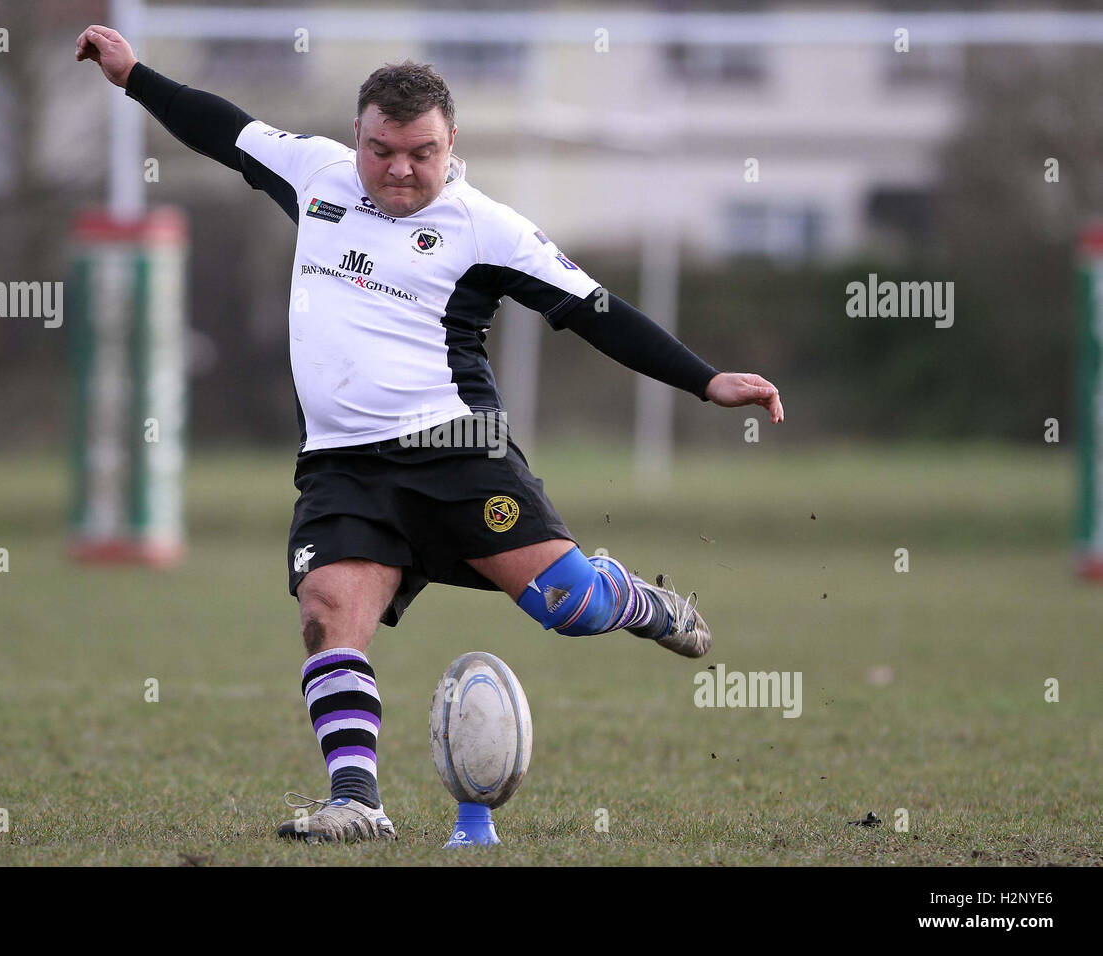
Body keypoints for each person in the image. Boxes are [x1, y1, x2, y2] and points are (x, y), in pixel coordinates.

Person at [77, 25, 784, 844]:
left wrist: (706, 380)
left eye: (421, 152)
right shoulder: (314, 175)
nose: (400, 169)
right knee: (327, 608)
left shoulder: (488, 228)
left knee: (569, 604)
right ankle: (355, 800)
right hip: (342, 465)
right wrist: (135, 75)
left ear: (452, 144)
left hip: (456, 453)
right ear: (357, 137)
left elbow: (598, 313)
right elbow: (221, 126)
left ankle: (630, 597)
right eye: (382, 150)